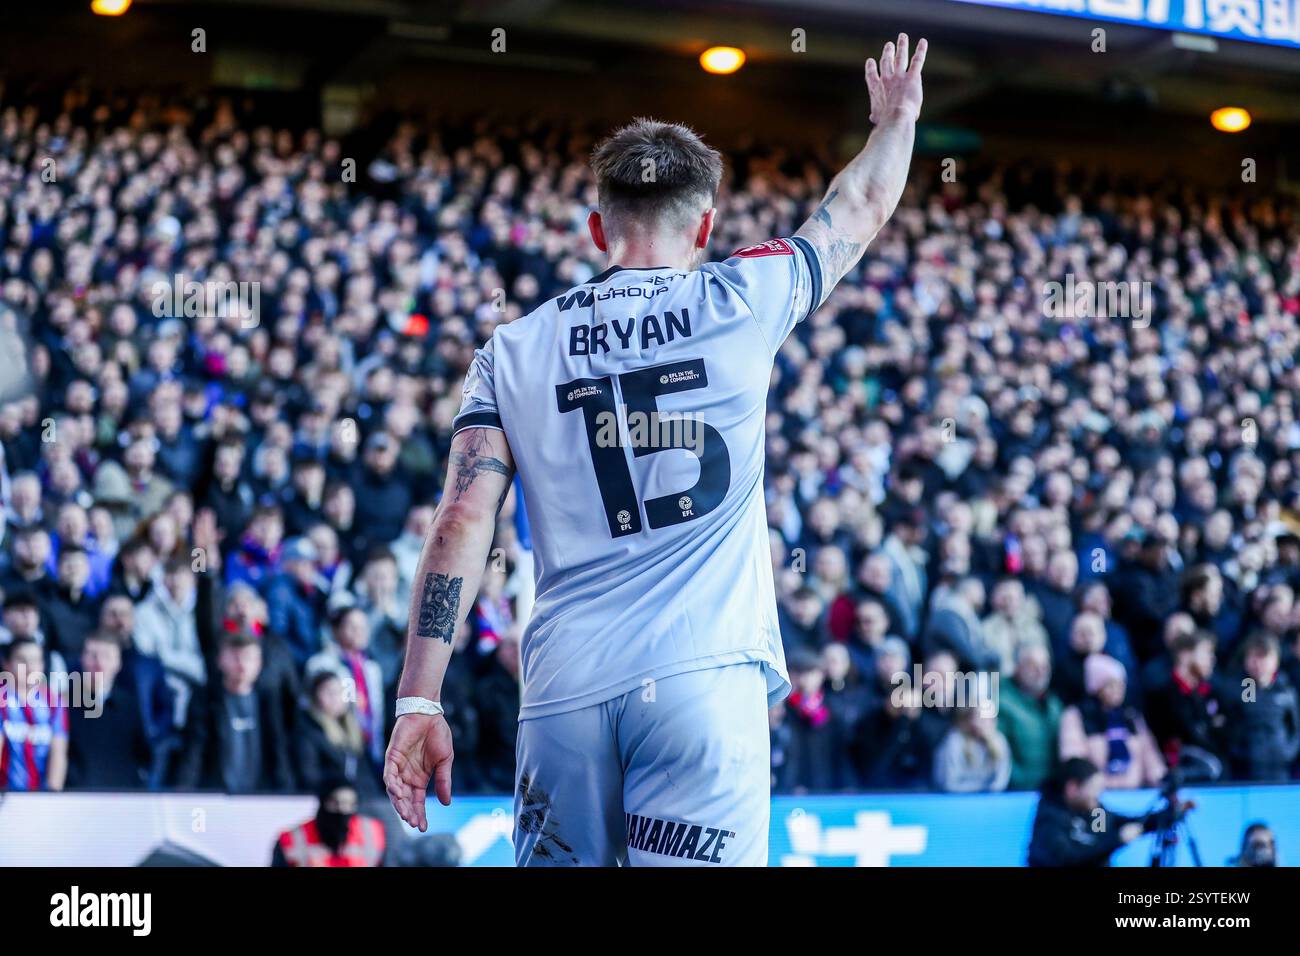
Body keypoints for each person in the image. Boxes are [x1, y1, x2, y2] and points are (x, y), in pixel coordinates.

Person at [383, 35, 928, 866]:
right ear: (706, 224)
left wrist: (418, 703)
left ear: (599, 226)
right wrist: (895, 123)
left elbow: (462, 517)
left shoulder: (515, 348)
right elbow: (858, 205)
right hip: (700, 680)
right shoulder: (744, 296)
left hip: (563, 689)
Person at [1026, 757, 1151, 867]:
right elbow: (1068, 859)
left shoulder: (1096, 811)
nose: (1098, 795)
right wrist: (1117, 839)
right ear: (1072, 788)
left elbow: (1106, 834)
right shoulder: (1050, 818)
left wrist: (1159, 818)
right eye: (1094, 789)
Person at [272, 777, 386, 867]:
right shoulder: (292, 839)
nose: (343, 810)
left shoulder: (372, 832)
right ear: (323, 804)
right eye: (335, 803)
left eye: (349, 804)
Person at [0, 637, 67, 791]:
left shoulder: (54, 702)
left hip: (42, 799)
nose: (30, 667)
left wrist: (52, 795)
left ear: (43, 665)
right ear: (7, 664)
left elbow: (58, 753)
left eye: (35, 660)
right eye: (22, 660)